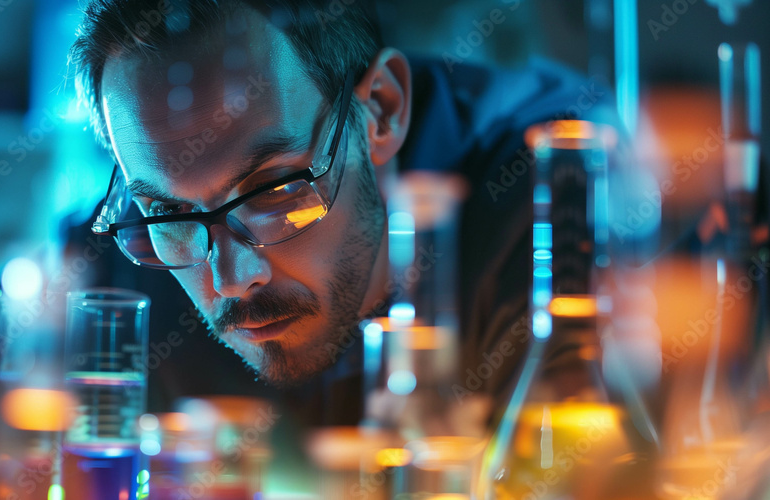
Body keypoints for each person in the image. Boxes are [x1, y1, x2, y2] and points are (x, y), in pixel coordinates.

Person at [69, 0, 618, 423]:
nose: (232, 279)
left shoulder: (561, 206)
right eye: (169, 211)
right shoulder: (144, 248)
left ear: (380, 110)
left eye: (273, 190)